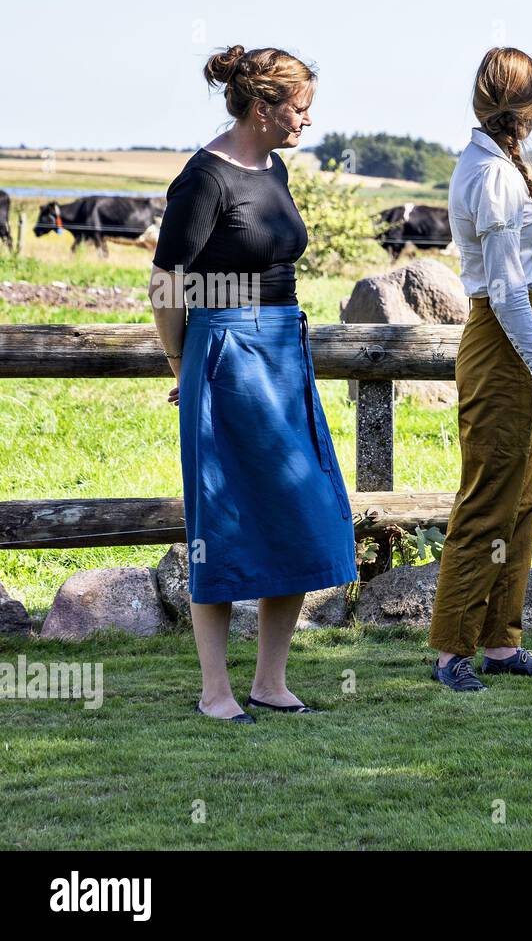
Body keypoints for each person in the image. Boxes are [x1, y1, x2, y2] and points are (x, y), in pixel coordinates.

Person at [150, 45, 356, 723]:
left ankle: (270, 680)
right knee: (223, 518)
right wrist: (187, 366)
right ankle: (215, 691)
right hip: (224, 352)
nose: (307, 122)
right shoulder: (204, 177)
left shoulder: (275, 167)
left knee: (300, 511)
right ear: (263, 108)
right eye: (299, 110)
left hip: (282, 353)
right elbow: (166, 283)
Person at [428, 47, 532, 691]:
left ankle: (501, 642)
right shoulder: (492, 176)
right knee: (489, 497)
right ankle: (450, 650)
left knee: (522, 498)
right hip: (503, 335)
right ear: (530, 109)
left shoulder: (494, 164)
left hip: (514, 331)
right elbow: (505, 286)